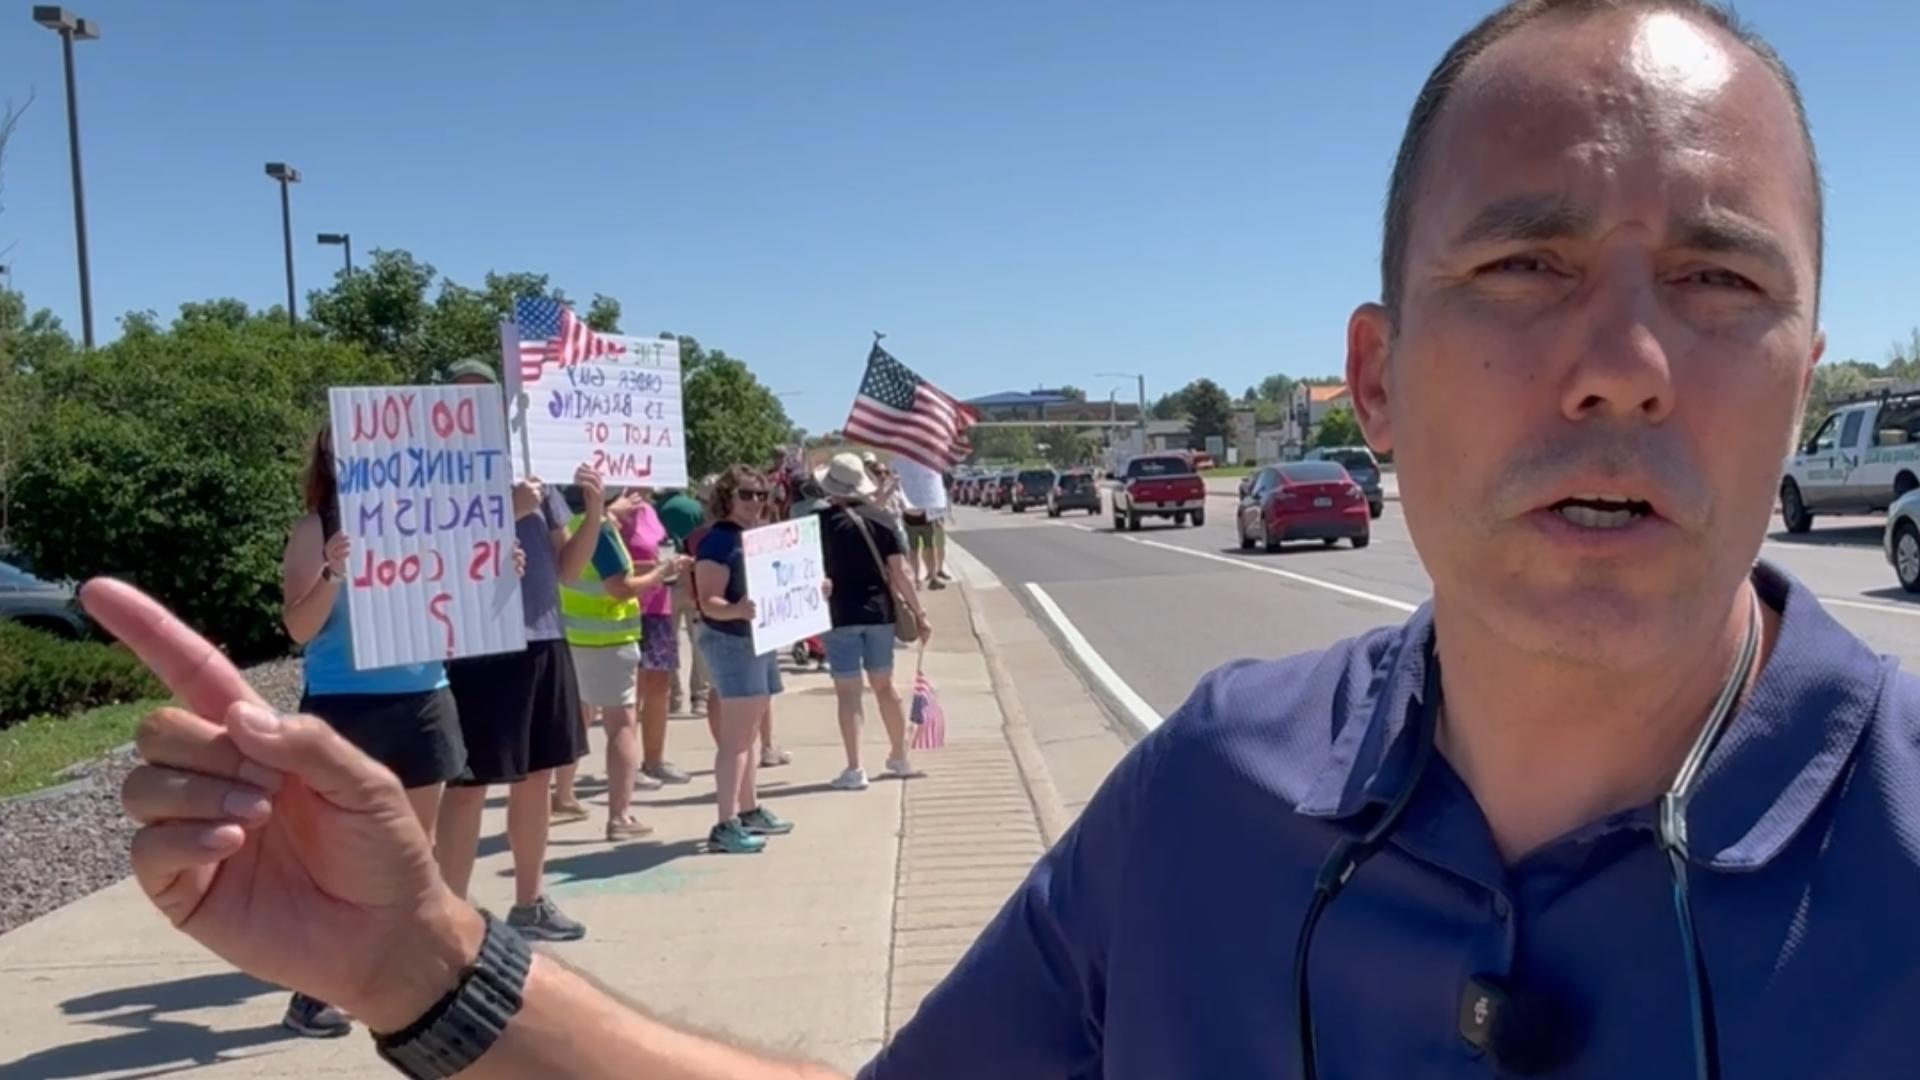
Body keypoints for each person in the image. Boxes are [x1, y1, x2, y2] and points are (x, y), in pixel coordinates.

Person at [97, 2, 1920, 1075]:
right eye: (1522, 268)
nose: (1619, 367)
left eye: (1717, 278)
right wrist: (422, 969)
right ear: (1376, 385)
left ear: (1804, 373)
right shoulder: (1216, 792)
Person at [275, 425, 470, 1039]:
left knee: (417, 848)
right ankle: (314, 990)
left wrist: (497, 571)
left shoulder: (432, 520)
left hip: (422, 696)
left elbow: (461, 603)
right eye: (344, 446)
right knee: (340, 851)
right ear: (328, 457)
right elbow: (298, 629)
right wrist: (331, 572)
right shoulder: (317, 528)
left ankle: (411, 972)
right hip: (345, 705)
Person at [431, 359, 600, 945]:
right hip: (478, 642)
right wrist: (506, 509)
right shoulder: (437, 473)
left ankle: (530, 900)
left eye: (486, 399)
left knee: (535, 777)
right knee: (470, 782)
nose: (476, 411)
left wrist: (594, 510)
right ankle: (450, 915)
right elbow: (422, 553)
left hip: (544, 635)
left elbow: (570, 569)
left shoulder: (537, 473)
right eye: (463, 400)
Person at [559, 485, 678, 842]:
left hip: (575, 635)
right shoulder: (602, 531)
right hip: (609, 637)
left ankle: (563, 794)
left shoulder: (568, 527)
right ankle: (620, 816)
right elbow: (620, 587)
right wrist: (661, 573)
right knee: (622, 726)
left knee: (578, 718)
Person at [811, 453, 929, 791]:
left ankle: (854, 767)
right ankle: (899, 755)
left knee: (848, 693)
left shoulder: (819, 524)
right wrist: (920, 614)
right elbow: (901, 573)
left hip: (839, 614)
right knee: (885, 685)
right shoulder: (882, 519)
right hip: (879, 613)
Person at [693, 465, 794, 854]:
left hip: (759, 638)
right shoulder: (718, 542)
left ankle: (749, 809)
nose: (755, 502)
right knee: (736, 739)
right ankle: (725, 822)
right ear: (727, 497)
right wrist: (738, 609)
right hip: (732, 641)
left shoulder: (755, 538)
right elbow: (708, 602)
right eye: (747, 494)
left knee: (748, 734)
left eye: (761, 494)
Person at [619, 484, 695, 788]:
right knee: (633, 688)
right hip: (629, 607)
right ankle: (628, 761)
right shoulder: (617, 512)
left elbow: (659, 549)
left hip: (659, 604)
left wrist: (674, 566)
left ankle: (654, 760)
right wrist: (655, 568)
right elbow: (609, 565)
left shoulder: (651, 510)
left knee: (659, 684)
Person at [657, 485, 709, 713]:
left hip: (665, 579)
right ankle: (700, 697)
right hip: (695, 575)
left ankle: (673, 697)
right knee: (699, 641)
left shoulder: (655, 509)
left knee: (668, 643)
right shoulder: (696, 507)